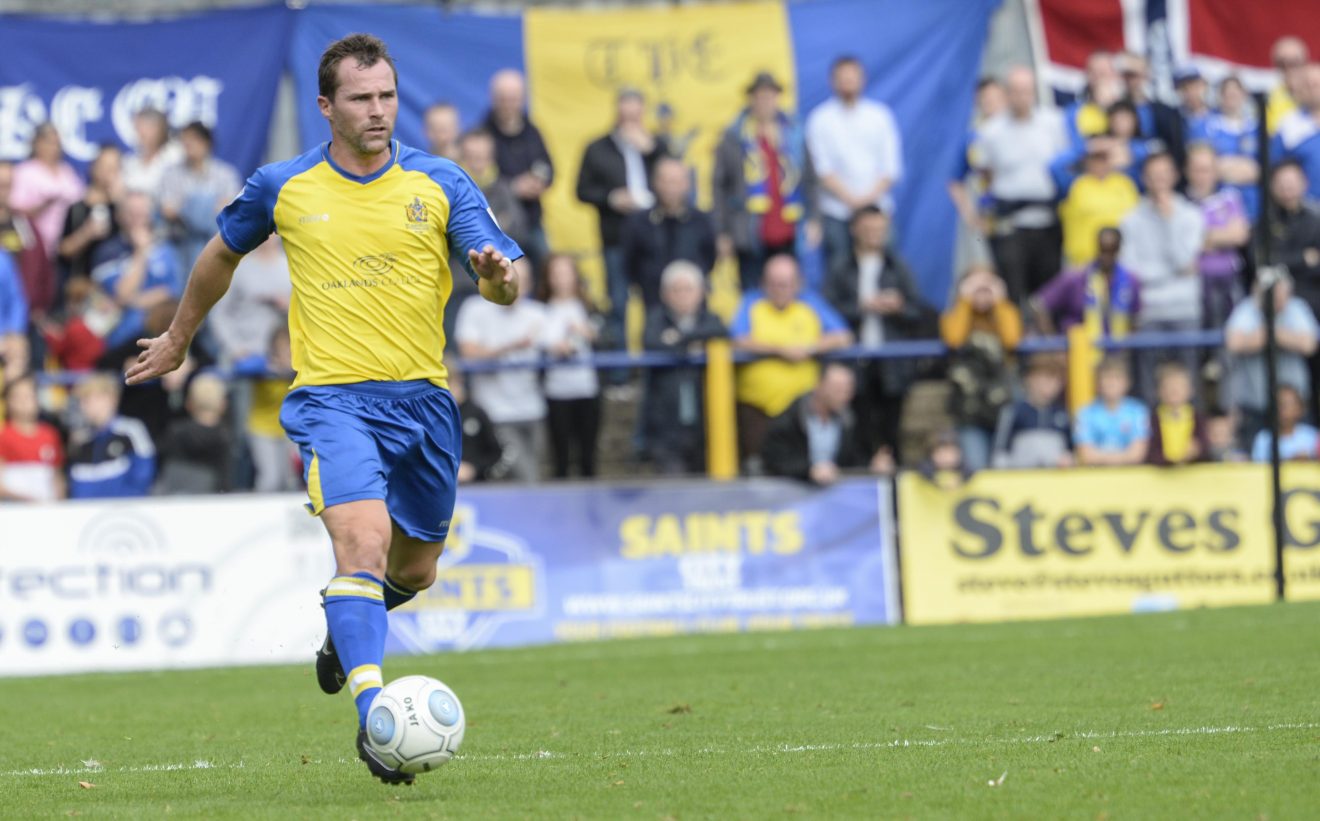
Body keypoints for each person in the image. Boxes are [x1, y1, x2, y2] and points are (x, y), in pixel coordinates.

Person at [125, 35, 526, 785]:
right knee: (362, 545)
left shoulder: (440, 180)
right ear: (326, 106)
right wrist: (180, 337)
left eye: (387, 96)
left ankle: (346, 640)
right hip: (332, 400)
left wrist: (497, 280)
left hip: (425, 402)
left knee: (418, 567)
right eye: (361, 98)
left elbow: (502, 282)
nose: (378, 111)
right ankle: (377, 717)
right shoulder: (285, 184)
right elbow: (218, 253)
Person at [820, 205, 928, 461]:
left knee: (893, 428)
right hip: (855, 361)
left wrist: (898, 307)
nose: (873, 235)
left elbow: (917, 312)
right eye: (868, 229)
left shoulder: (897, 267)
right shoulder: (841, 268)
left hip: (891, 361)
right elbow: (827, 311)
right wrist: (862, 307)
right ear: (854, 230)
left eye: (879, 229)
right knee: (859, 428)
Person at [731, 254, 851, 469]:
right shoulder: (751, 302)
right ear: (763, 284)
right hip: (759, 408)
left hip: (802, 411)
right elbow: (737, 341)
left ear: (798, 284)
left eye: (785, 284)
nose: (779, 290)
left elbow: (843, 336)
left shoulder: (810, 303)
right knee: (759, 467)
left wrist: (810, 347)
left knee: (799, 466)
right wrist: (780, 350)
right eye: (774, 284)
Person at [966, 66, 1068, 304]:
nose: (1021, 97)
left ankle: (1047, 341)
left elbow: (1064, 166)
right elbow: (983, 174)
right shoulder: (990, 131)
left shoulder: (1053, 123)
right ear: (1007, 93)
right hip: (1010, 224)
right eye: (1015, 91)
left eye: (1026, 91)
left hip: (1047, 220)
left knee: (1049, 293)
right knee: (1011, 290)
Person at [575, 88, 667, 347]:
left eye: (634, 115)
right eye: (625, 114)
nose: (629, 121)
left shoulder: (657, 146)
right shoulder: (598, 148)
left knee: (656, 302)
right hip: (616, 236)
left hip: (653, 237)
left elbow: (675, 181)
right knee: (618, 302)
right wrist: (611, 198)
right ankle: (620, 374)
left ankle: (655, 362)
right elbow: (582, 190)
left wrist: (651, 152)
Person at [713, 72, 816, 291]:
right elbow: (719, 187)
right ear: (750, 99)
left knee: (789, 289)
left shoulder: (794, 132)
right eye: (760, 96)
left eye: (770, 96)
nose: (765, 102)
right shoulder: (734, 136)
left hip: (789, 226)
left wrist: (814, 218)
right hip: (749, 230)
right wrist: (722, 231)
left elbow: (810, 179)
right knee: (752, 290)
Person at [1119, 152, 1205, 398]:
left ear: (1175, 177)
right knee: (1146, 381)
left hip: (1185, 308)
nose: (1159, 182)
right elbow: (1132, 270)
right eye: (1153, 176)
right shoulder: (1131, 219)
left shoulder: (1191, 215)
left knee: (1189, 380)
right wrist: (1172, 273)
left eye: (1164, 175)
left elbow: (1185, 260)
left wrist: (1168, 222)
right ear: (1145, 179)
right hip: (1148, 309)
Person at [806, 55, 903, 271]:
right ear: (833, 81)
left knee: (884, 272)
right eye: (843, 78)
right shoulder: (820, 119)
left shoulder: (879, 116)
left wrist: (866, 205)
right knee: (839, 272)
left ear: (862, 79)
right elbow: (821, 170)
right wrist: (852, 201)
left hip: (877, 212)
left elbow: (890, 168)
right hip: (836, 212)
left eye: (853, 78)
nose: (848, 83)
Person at [455, 262, 545, 484]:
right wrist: (510, 347)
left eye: (524, 281)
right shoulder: (475, 308)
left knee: (533, 476)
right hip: (496, 412)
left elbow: (556, 341)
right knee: (527, 479)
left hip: (533, 409)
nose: (518, 287)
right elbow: (468, 352)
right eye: (514, 280)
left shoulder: (536, 312)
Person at [640, 260, 728, 475]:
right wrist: (691, 344)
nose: (682, 295)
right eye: (675, 290)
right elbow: (651, 341)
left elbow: (721, 331)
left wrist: (679, 339)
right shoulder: (656, 319)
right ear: (664, 294)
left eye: (688, 289)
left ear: (701, 293)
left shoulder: (711, 318)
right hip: (666, 426)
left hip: (706, 426)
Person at [939, 264, 1022, 472]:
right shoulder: (955, 312)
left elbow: (1012, 339)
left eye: (988, 285)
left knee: (1005, 466)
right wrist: (966, 301)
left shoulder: (1006, 312)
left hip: (1003, 403)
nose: (982, 291)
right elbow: (954, 339)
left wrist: (999, 302)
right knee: (977, 466)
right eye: (975, 285)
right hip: (970, 408)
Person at [1224, 274, 1319, 450]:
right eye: (1271, 296)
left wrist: (1272, 333)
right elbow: (1234, 343)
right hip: (1257, 403)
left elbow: (1309, 344)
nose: (1276, 301)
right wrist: (1276, 335)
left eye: (1280, 295)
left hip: (1295, 405)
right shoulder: (1247, 309)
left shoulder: (1296, 308)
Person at [619, 156, 716, 312]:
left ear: (687, 184)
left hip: (694, 307)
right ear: (655, 183)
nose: (671, 188)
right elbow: (630, 262)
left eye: (676, 181)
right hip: (653, 302)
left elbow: (710, 257)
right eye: (666, 181)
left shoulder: (702, 221)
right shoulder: (639, 222)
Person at [762, 362, 885, 485]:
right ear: (819, 385)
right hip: (794, 491)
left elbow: (853, 459)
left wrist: (871, 466)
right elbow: (775, 459)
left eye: (848, 390)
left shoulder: (850, 419)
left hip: (836, 492)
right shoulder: (790, 419)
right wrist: (809, 471)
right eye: (838, 389)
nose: (845, 395)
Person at [90, 190, 183, 351]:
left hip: (161, 336)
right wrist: (141, 252)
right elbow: (121, 295)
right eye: (131, 213)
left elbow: (172, 292)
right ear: (119, 216)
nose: (137, 218)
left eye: (142, 213)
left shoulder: (165, 249)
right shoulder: (106, 252)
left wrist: (134, 300)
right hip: (121, 339)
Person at [483, 69, 553, 275]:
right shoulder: (484, 134)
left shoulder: (533, 132)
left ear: (522, 99)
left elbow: (548, 167)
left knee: (547, 272)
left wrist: (539, 182)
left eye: (513, 99)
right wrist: (513, 187)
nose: (509, 105)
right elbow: (479, 177)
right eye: (504, 99)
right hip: (498, 224)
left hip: (531, 219)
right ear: (494, 99)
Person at [538, 254, 601, 479]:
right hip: (556, 390)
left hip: (587, 388)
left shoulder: (588, 306)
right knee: (560, 457)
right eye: (556, 274)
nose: (561, 279)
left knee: (588, 455)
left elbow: (605, 336)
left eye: (566, 273)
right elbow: (538, 341)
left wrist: (588, 333)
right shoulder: (542, 309)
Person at [158, 122, 241, 273]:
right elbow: (168, 209)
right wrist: (196, 208)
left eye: (194, 139)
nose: (188, 144)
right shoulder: (172, 174)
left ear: (206, 142)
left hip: (215, 238)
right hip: (182, 240)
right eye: (185, 140)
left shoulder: (225, 174)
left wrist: (191, 206)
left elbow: (230, 207)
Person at [1184, 144, 1249, 330]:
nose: (1202, 176)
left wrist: (1202, 238)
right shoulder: (1181, 202)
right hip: (1195, 284)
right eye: (1197, 170)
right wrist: (1220, 235)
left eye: (1207, 170)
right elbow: (1183, 243)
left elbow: (1239, 235)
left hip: (1230, 280)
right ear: (1187, 171)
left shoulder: (1229, 198)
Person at [1031, 227, 1140, 337]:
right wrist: (1053, 345)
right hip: (1078, 350)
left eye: (1112, 250)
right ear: (1097, 247)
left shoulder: (1131, 281)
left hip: (1117, 350)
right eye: (1103, 249)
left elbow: (1135, 319)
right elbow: (1039, 304)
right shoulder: (1076, 278)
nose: (1107, 256)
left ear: (1119, 249)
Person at [66, 373, 156, 499]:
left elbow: (143, 473)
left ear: (111, 399)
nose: (84, 406)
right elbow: (78, 483)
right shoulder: (82, 440)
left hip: (124, 511)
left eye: (89, 399)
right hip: (87, 514)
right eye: (82, 401)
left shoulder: (131, 430)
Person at [1055, 137, 1140, 269]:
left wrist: (1115, 146)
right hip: (1082, 263)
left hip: (1121, 262)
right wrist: (1086, 147)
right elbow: (1054, 167)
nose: (1100, 163)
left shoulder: (1126, 184)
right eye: (1095, 157)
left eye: (1104, 157)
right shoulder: (1074, 184)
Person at [8, 123, 83, 266]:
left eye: (57, 143)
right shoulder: (25, 172)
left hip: (67, 247)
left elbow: (80, 201)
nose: (54, 148)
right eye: (49, 142)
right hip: (34, 248)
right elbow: (13, 211)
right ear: (37, 143)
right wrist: (43, 205)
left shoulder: (67, 172)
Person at [154, 372, 231, 495]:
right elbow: (226, 481)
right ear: (223, 405)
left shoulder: (175, 432)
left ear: (189, 403)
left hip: (174, 500)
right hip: (213, 503)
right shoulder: (225, 439)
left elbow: (161, 468)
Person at [992, 355, 1073, 469]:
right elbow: (1000, 453)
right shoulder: (1014, 411)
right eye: (1045, 378)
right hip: (1021, 478)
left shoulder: (1062, 414)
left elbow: (1070, 451)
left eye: (1056, 380)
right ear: (1030, 379)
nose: (1050, 385)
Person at [58, 144, 124, 283]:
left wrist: (120, 201)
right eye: (104, 166)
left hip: (117, 285)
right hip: (83, 286)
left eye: (114, 168)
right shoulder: (77, 209)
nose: (108, 173)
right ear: (93, 167)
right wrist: (86, 233)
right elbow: (63, 250)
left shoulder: (123, 208)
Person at [246, 326, 300, 493]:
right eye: (285, 351)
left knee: (290, 478)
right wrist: (272, 369)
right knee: (270, 479)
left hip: (289, 430)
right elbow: (242, 368)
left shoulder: (300, 370)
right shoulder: (262, 367)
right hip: (262, 429)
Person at [0, 160, 56, 321]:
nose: (3, 190)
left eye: (7, 185)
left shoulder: (23, 225)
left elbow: (44, 266)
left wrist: (39, 306)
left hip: (25, 315)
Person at [445, 359, 514, 483]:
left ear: (459, 380)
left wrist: (474, 469)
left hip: (477, 485)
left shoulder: (477, 413)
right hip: (442, 486)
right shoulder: (433, 417)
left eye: (449, 383)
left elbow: (498, 453)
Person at [1074, 355, 1149, 467]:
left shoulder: (1138, 411)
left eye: (1117, 377)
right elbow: (1086, 455)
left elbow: (1137, 454)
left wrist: (1102, 457)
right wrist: (1123, 457)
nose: (1112, 383)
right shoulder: (1085, 413)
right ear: (1098, 383)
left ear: (1127, 382)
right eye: (1107, 378)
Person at [0, 373, 64, 502]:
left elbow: (57, 477)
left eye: (29, 396)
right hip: (13, 509)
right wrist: (27, 499)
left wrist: (58, 501)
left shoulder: (50, 434)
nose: (24, 401)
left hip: (47, 509)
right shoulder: (3, 435)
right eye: (18, 397)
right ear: (9, 402)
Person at [1205, 75, 1262, 220]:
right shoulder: (1208, 126)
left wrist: (1227, 165)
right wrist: (1244, 168)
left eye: (1236, 93)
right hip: (1218, 205)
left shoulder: (1256, 128)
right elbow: (1207, 167)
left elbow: (1261, 169)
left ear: (1244, 95)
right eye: (1227, 93)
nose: (1232, 97)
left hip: (1253, 205)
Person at [1271, 63, 1320, 202]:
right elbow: (1276, 167)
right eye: (1308, 85)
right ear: (1300, 89)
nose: (1313, 89)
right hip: (1306, 210)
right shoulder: (1288, 125)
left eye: (1317, 84)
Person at [1146, 361, 1207, 467]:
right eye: (1169, 387)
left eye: (1179, 386)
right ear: (1159, 391)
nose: (1174, 390)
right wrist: (1171, 461)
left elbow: (1205, 448)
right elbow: (1150, 451)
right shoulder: (1152, 420)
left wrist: (1196, 450)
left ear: (1190, 390)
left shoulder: (1198, 418)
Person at [120, 109, 182, 198]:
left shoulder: (176, 155)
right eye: (136, 129)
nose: (137, 135)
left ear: (157, 128)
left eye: (141, 129)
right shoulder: (131, 161)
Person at [1251, 384, 1317, 463]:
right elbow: (1258, 469)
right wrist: (1291, 461)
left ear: (1299, 409)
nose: (1281, 409)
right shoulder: (1263, 438)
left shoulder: (1313, 437)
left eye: (1287, 405)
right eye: (1278, 404)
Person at [1267, 36, 1310, 134]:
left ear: (1305, 62)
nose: (1288, 67)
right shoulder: (1269, 98)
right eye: (1281, 63)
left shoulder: (1316, 96)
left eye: (1294, 62)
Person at [0, 249, 28, 381]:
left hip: (5, 335)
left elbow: (17, 300)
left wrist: (14, 333)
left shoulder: (3, 259)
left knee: (18, 356)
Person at [1175, 67, 1212, 145]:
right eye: (1185, 88)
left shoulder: (1217, 116)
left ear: (1204, 86)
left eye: (1195, 87)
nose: (1191, 92)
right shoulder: (1174, 119)